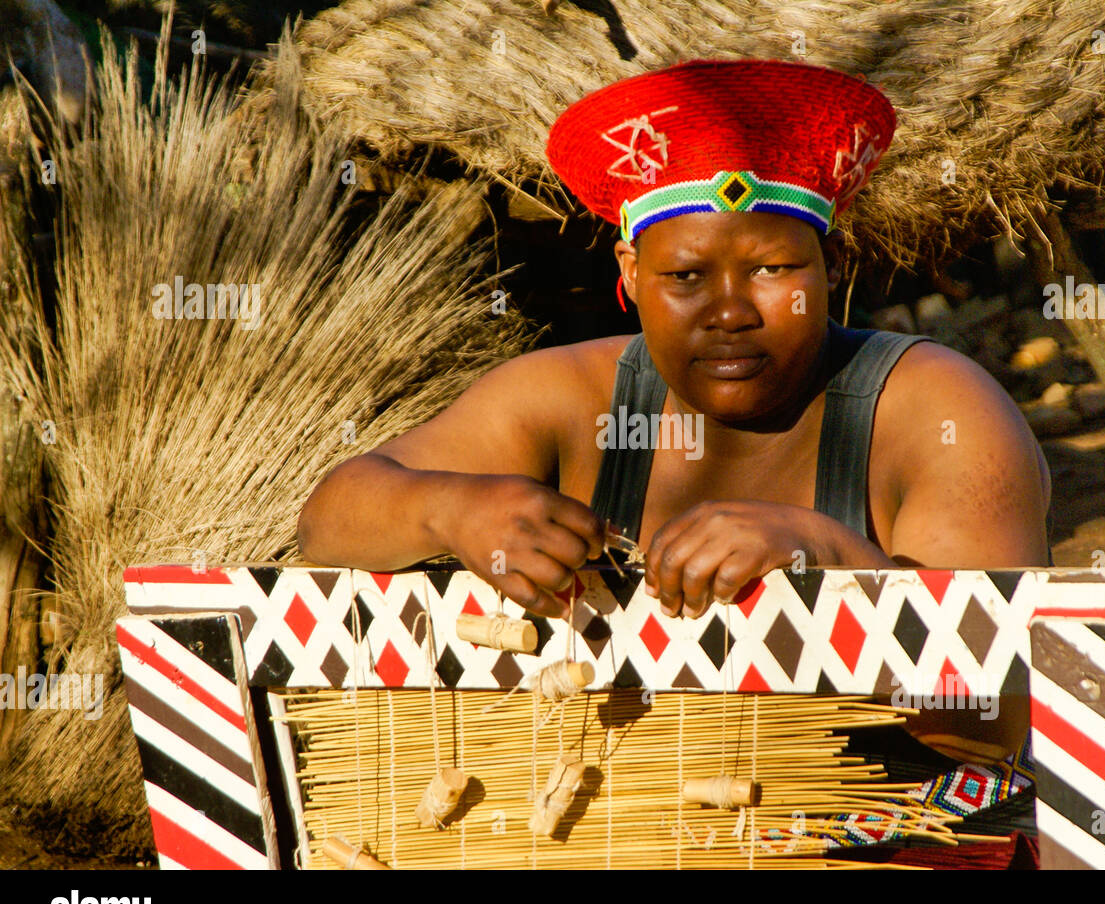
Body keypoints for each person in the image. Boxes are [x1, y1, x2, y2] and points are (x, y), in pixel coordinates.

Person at [296, 59, 1050, 767]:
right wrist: (450, 509)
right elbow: (329, 523)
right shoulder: (568, 400)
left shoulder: (933, 409)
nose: (728, 312)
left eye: (770, 270)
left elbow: (981, 722)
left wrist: (831, 558)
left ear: (833, 267)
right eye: (685, 276)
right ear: (630, 274)